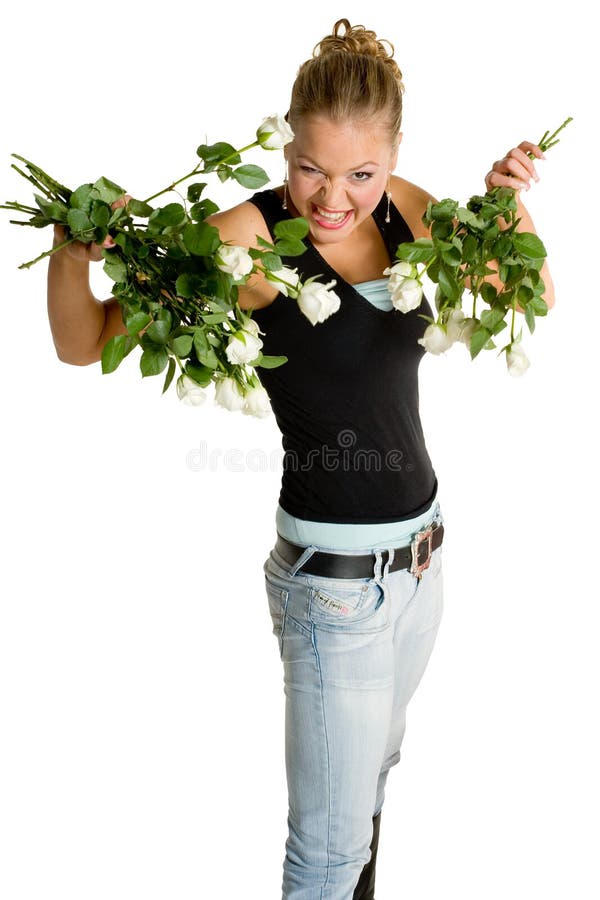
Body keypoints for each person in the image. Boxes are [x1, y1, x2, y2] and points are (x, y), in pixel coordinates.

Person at [47, 18, 554, 900]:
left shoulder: (414, 211)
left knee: (369, 797)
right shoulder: (238, 244)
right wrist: (73, 247)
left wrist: (505, 209)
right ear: (285, 147)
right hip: (335, 589)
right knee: (324, 854)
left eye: (362, 173)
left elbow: (531, 296)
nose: (334, 197)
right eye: (311, 167)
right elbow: (84, 342)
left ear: (393, 158)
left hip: (422, 563)